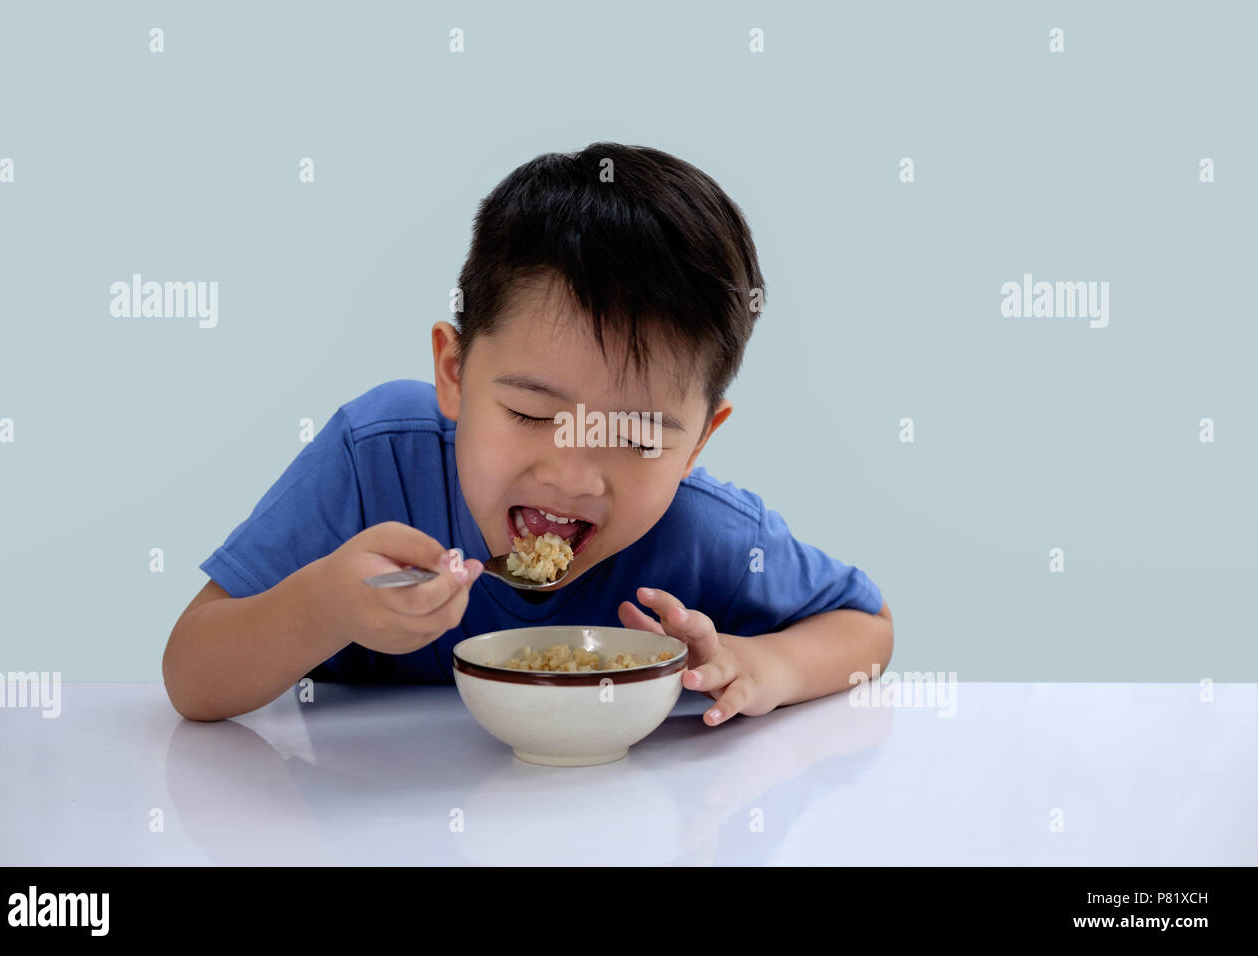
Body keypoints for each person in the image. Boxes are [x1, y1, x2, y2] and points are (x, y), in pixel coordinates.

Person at [162, 143, 893, 724]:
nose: (573, 473)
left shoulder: (704, 535)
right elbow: (192, 679)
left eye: (637, 434)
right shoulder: (374, 461)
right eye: (533, 415)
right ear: (453, 372)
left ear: (699, 442)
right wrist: (323, 606)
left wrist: (760, 665)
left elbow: (866, 627)